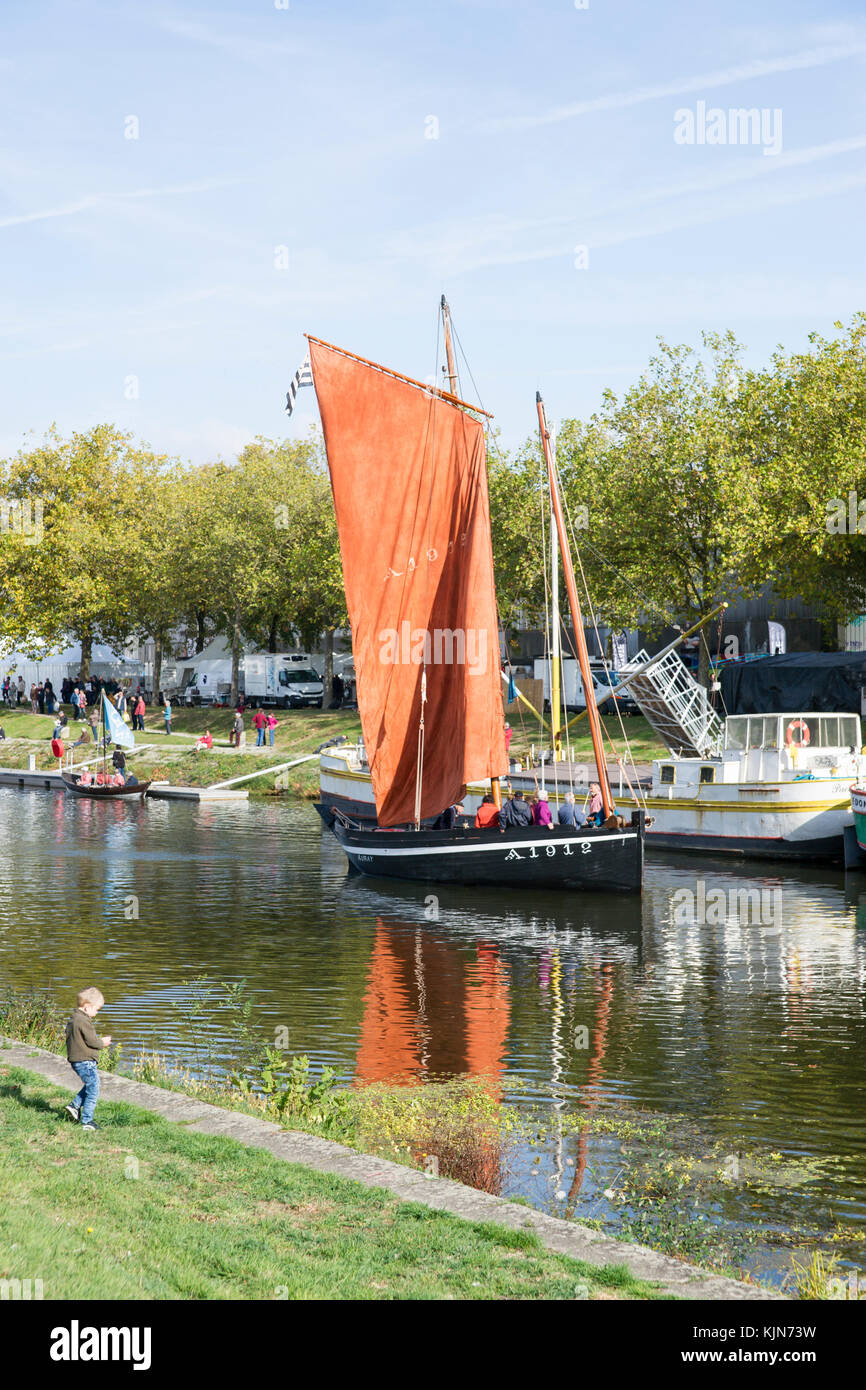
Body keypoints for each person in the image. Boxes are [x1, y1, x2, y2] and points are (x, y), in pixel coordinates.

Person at [64, 987, 112, 1131]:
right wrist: (103, 1042)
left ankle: (74, 1106)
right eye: (96, 1009)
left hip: (76, 1060)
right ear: (87, 1007)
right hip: (85, 1061)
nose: (96, 1013)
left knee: (91, 1085)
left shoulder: (73, 1019)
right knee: (94, 1090)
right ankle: (87, 1121)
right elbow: (92, 1041)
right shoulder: (84, 1021)